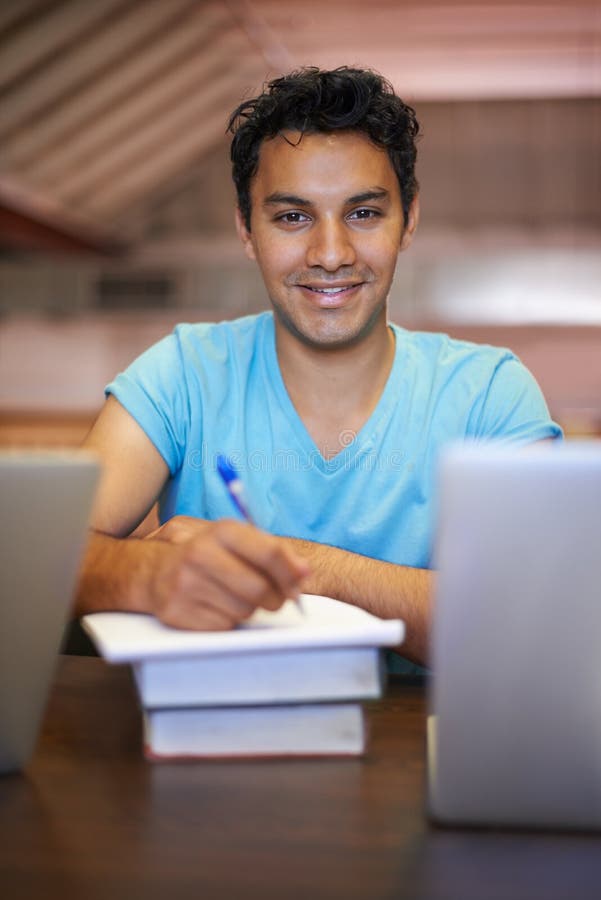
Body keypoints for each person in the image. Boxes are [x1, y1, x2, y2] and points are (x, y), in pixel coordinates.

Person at [77, 67, 561, 669]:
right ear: (246, 230)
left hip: (430, 753)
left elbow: (536, 616)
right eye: (292, 217)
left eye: (362, 214)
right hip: (215, 736)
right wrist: (148, 573)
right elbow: (36, 554)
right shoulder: (181, 374)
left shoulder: (492, 394)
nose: (330, 255)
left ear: (408, 219)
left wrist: (303, 568)